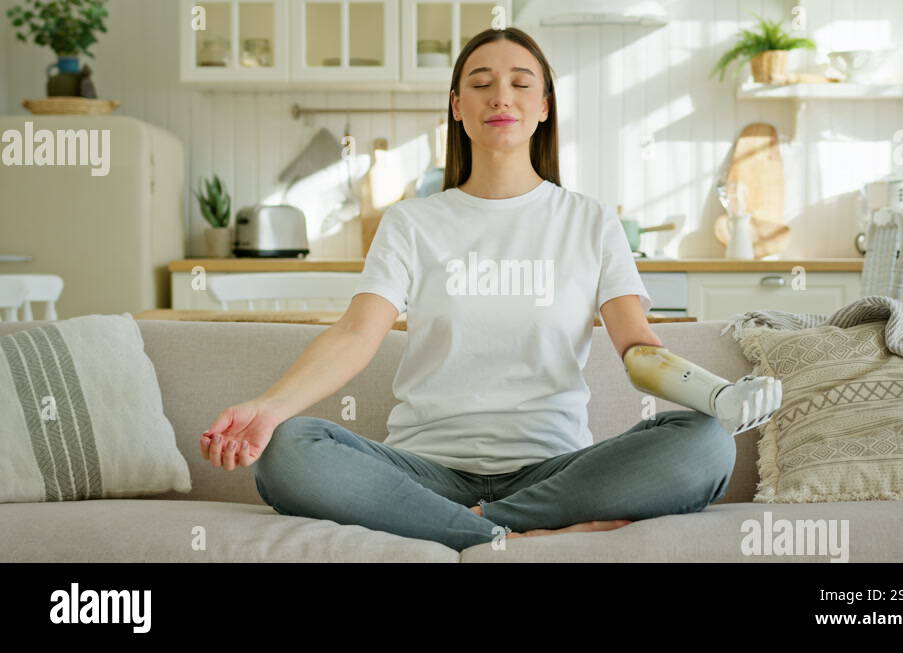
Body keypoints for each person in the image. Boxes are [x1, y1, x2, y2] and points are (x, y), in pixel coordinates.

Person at [199, 27, 775, 552]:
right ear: (457, 106)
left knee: (704, 442)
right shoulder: (412, 223)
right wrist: (269, 408)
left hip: (556, 471)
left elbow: (638, 348)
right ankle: (509, 530)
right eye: (481, 83)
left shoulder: (590, 221)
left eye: (521, 83)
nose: (501, 96)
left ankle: (472, 523)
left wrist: (715, 395)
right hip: (421, 472)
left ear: (544, 106)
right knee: (288, 450)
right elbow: (356, 333)